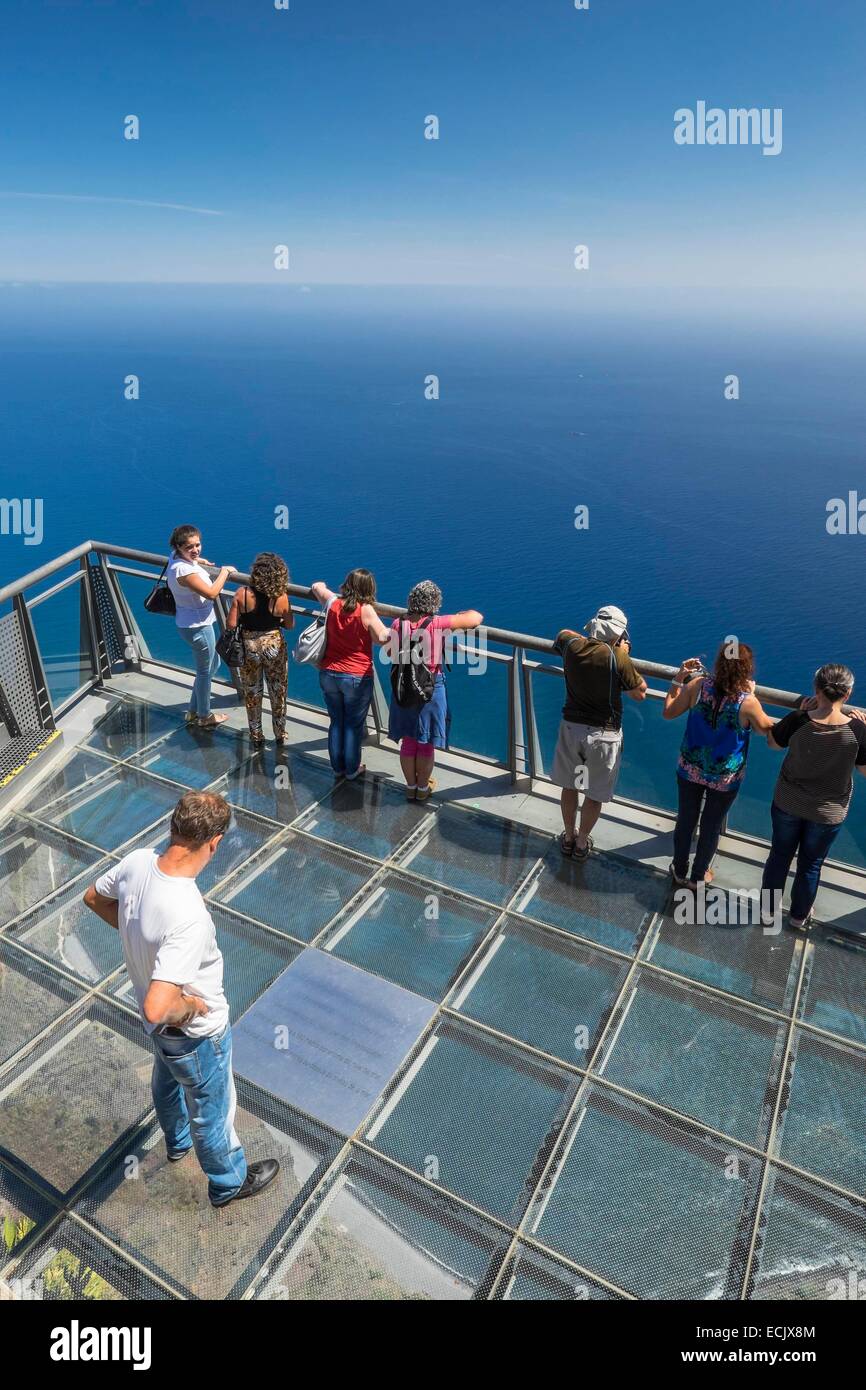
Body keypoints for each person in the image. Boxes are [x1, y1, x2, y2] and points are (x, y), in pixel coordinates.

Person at [82, 791, 280, 1209]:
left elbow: (94, 898)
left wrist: (133, 933)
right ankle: (228, 1182)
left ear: (174, 827)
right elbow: (161, 1005)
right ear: (215, 843)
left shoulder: (137, 862)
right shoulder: (189, 915)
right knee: (213, 1108)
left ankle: (176, 1143)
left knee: (168, 1082)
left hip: (157, 1028)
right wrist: (192, 1007)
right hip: (195, 1033)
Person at [761, 664, 866, 930]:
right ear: (848, 694)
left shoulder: (799, 720)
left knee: (779, 855)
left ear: (815, 689)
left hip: (788, 802)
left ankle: (768, 913)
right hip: (827, 812)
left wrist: (801, 712)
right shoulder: (858, 731)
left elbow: (773, 743)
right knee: (811, 864)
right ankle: (798, 916)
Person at [663, 642, 775, 887]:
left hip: (689, 768)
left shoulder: (698, 686)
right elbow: (767, 728)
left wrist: (677, 680)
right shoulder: (747, 702)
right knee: (711, 827)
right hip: (724, 777)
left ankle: (679, 870)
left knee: (686, 819)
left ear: (719, 664)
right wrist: (752, 695)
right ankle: (698, 876)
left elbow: (669, 712)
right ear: (747, 669)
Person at [551, 605, 648, 859]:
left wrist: (591, 638)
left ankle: (568, 837)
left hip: (571, 727)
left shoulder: (571, 645)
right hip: (604, 734)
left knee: (570, 786)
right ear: (618, 634)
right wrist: (621, 652)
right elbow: (640, 693)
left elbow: (562, 633)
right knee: (594, 794)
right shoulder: (617, 656)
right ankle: (582, 843)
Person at [387, 581, 483, 802]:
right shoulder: (437, 623)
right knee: (426, 741)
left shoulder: (397, 623)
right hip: (430, 688)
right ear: (435, 603)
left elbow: (392, 653)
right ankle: (422, 789)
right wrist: (461, 615)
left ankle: (410, 786)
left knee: (409, 740)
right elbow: (476, 617)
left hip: (403, 688)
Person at [311, 570, 390, 779]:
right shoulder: (366, 610)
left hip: (328, 673)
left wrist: (324, 586)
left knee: (336, 721)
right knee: (353, 726)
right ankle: (352, 769)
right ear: (368, 589)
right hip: (356, 676)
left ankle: (337, 768)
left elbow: (317, 586)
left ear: (347, 584)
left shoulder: (332, 603)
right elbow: (382, 637)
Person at [166, 525, 236, 729]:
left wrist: (197, 561)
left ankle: (193, 711)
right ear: (179, 547)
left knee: (212, 666)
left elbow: (187, 562)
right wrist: (224, 572)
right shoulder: (184, 570)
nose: (195, 550)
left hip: (190, 624)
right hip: (198, 627)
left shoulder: (176, 558)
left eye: (198, 545)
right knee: (206, 671)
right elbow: (212, 593)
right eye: (190, 547)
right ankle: (204, 716)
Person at [226, 552, 294, 749]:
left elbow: (231, 625)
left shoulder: (242, 593)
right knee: (278, 689)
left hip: (249, 647)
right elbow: (289, 625)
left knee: (252, 691)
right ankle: (280, 732)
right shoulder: (281, 597)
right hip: (274, 645)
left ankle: (256, 734)